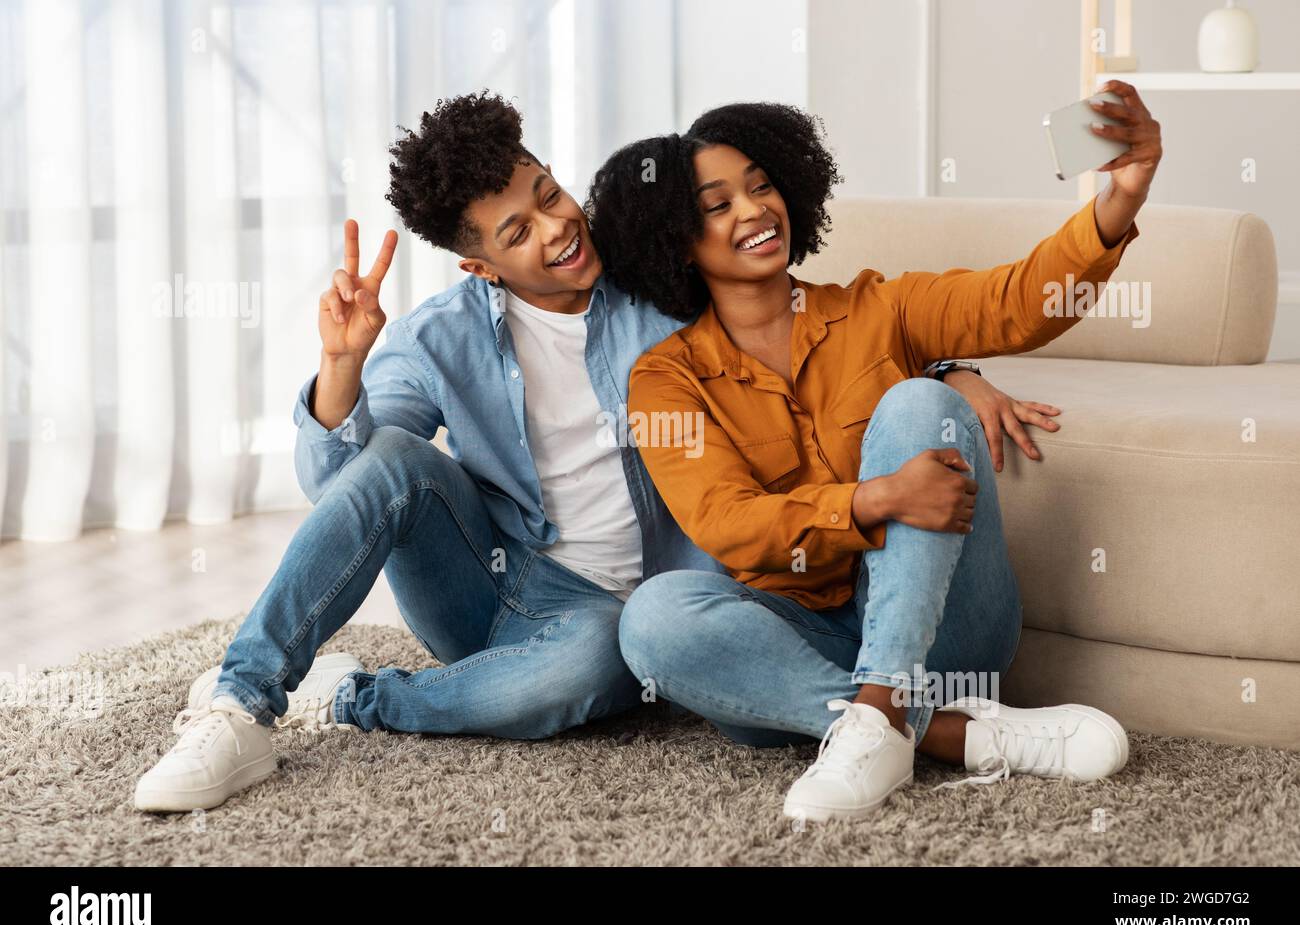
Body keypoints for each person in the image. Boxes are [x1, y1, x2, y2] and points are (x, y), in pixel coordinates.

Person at [135, 90, 1072, 815]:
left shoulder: (657, 288)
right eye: (518, 231)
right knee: (388, 459)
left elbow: (807, 314)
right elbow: (342, 493)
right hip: (508, 592)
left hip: (662, 609)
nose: (556, 228)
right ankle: (240, 703)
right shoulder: (438, 339)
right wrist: (342, 368)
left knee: (608, 647)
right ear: (478, 265)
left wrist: (949, 370)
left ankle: (365, 697)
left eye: (548, 193)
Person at [594, 85, 1159, 821]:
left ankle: (884, 714)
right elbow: (727, 522)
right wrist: (873, 500)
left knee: (923, 401)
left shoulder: (875, 308)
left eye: (763, 187)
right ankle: (942, 734)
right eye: (719, 205)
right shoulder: (665, 378)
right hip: (802, 642)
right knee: (652, 618)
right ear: (676, 240)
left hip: (949, 631)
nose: (756, 210)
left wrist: (1122, 197)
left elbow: (1018, 303)